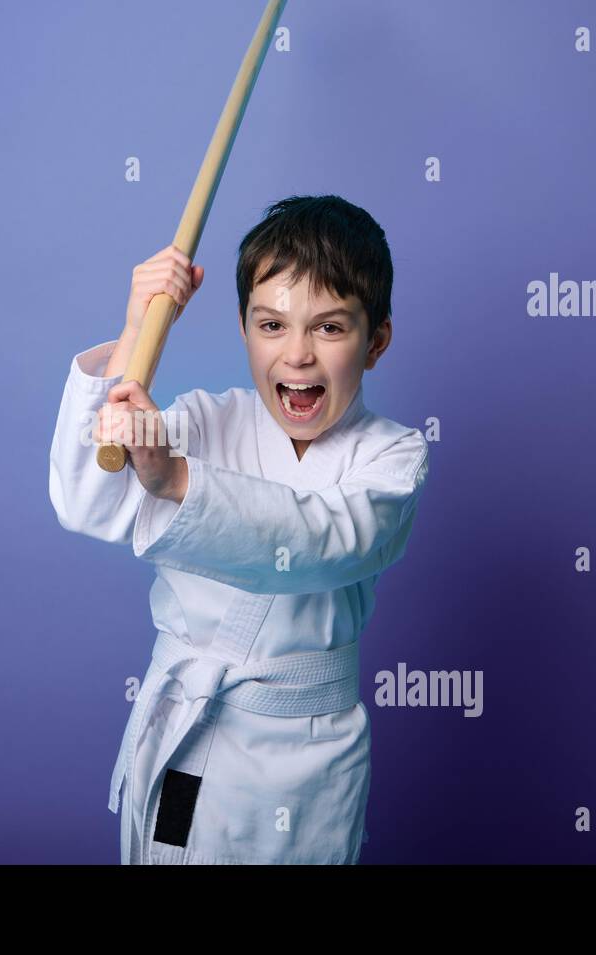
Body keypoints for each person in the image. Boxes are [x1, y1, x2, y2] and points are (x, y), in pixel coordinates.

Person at [48, 195, 429, 864]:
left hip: (310, 761)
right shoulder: (203, 423)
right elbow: (87, 501)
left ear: (377, 341)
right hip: (193, 742)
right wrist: (137, 330)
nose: (299, 356)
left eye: (331, 328)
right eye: (272, 324)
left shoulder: (393, 457)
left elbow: (321, 540)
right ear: (245, 328)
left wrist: (177, 482)